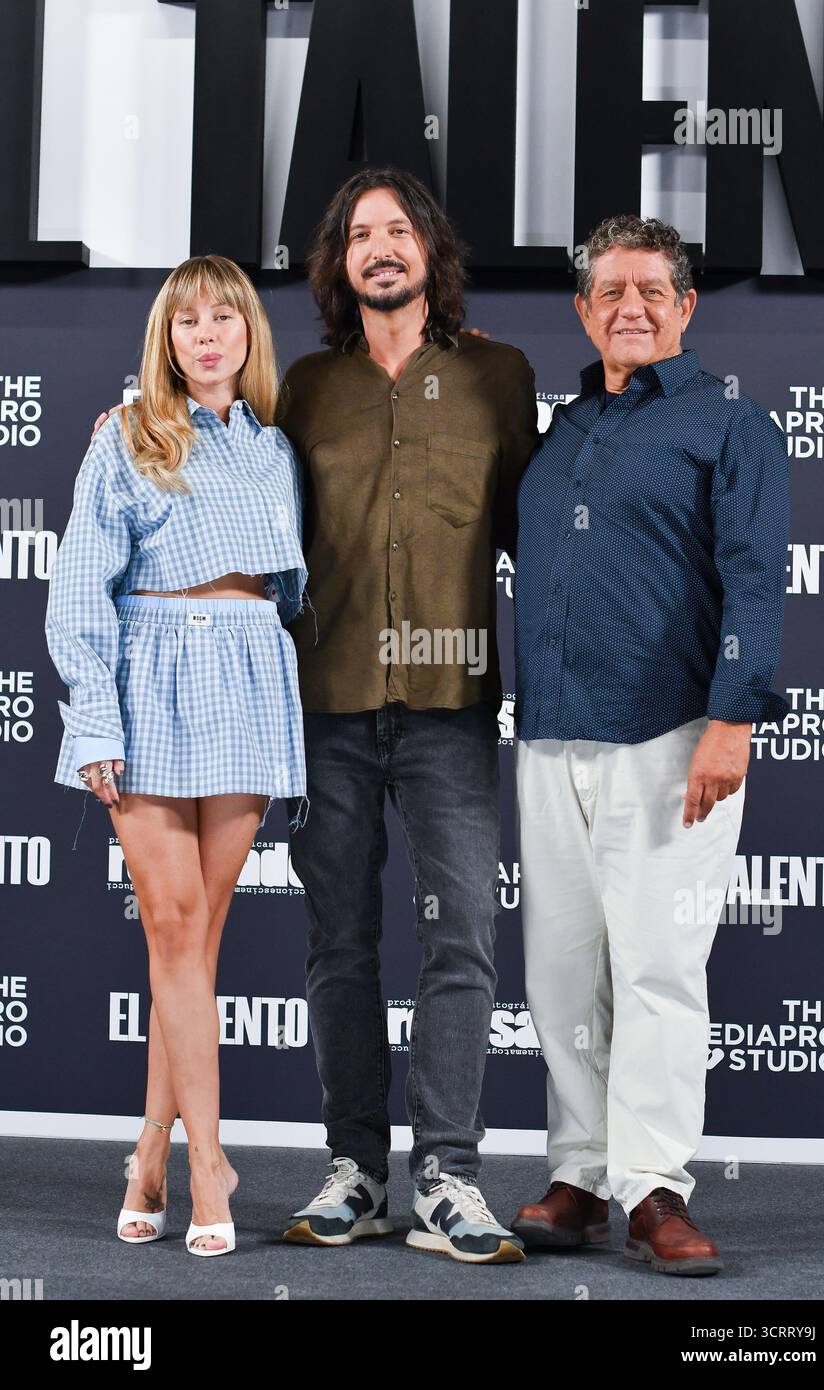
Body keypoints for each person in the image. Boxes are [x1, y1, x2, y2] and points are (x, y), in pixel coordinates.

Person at [510, 214, 789, 1275]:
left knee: (659, 970)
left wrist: (732, 718)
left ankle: (656, 1185)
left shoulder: (731, 425)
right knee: (560, 974)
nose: (630, 306)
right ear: (583, 310)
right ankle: (582, 1175)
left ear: (685, 307)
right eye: (610, 291)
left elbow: (755, 577)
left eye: (651, 291)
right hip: (550, 735)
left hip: (670, 734)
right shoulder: (561, 431)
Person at [276, 168, 538, 1263]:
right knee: (339, 945)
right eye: (358, 235)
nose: (379, 248)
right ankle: (357, 1171)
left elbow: (542, 531)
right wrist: (135, 418)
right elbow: (227, 481)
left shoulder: (497, 376)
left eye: (396, 230)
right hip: (327, 707)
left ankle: (447, 1176)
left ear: (429, 247)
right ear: (339, 263)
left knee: (462, 939)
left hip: (450, 709)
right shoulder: (301, 387)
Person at [45, 254, 307, 1257]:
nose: (206, 335)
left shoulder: (274, 449)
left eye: (223, 318)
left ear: (248, 334)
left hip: (244, 676)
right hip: (149, 672)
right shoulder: (125, 434)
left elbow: (288, 587)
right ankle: (211, 1164)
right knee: (173, 923)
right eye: (188, 320)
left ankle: (148, 1154)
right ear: (166, 336)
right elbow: (81, 586)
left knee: (192, 950)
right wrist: (95, 720)